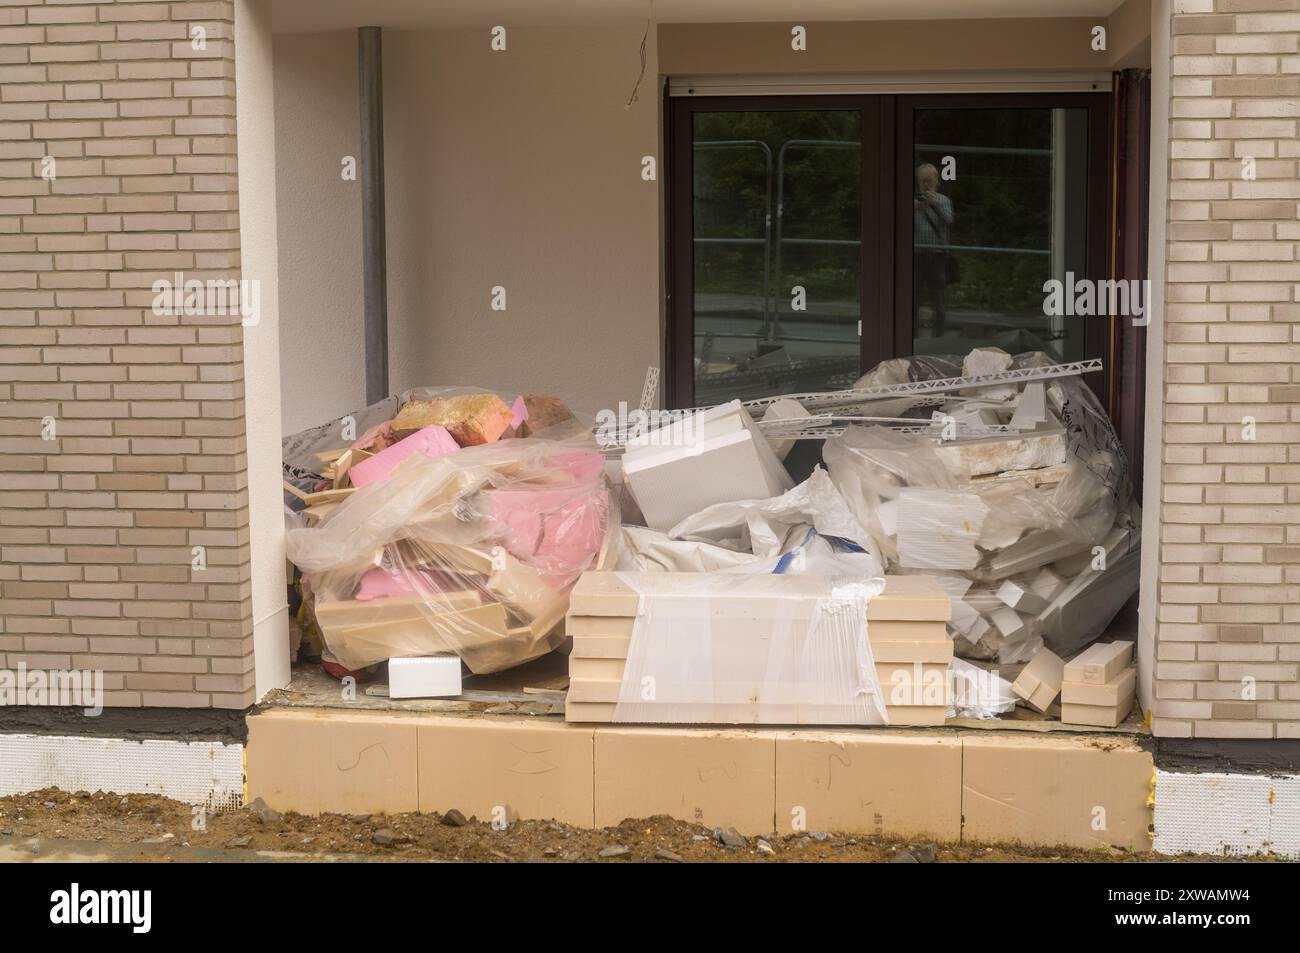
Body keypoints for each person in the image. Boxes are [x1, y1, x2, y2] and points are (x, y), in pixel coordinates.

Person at [913, 163, 955, 338]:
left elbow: (949, 221)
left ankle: (938, 337)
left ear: (937, 182)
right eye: (923, 181)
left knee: (938, 300)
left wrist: (933, 205)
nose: (926, 185)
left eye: (929, 181)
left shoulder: (943, 200)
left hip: (937, 257)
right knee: (913, 299)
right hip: (916, 256)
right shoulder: (911, 200)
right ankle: (911, 336)